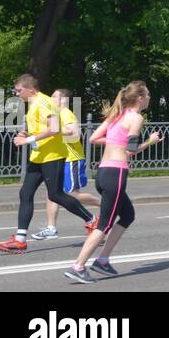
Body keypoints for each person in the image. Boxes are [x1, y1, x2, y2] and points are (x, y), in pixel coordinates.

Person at [65, 80, 163, 283]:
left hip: (103, 173)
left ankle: (103, 260)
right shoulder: (136, 117)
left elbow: (93, 138)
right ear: (140, 98)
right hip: (116, 173)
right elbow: (131, 150)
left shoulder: (115, 115)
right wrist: (150, 142)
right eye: (149, 95)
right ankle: (78, 266)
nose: (150, 99)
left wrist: (114, 142)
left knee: (127, 215)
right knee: (105, 223)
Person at [0, 75, 97, 255]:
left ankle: (91, 220)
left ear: (31, 89)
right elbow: (44, 128)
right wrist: (29, 134)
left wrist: (28, 140)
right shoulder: (35, 104)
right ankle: (20, 240)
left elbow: (55, 128)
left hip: (52, 155)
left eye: (19, 90)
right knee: (25, 192)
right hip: (39, 155)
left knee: (56, 194)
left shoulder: (43, 102)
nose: (17, 94)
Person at [30, 89, 102, 241]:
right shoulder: (54, 114)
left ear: (63, 100)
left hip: (71, 158)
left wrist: (56, 132)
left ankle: (105, 205)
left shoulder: (65, 113)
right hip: (58, 158)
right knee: (52, 193)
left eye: (54, 96)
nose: (51, 98)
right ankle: (51, 228)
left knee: (72, 194)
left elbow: (74, 133)